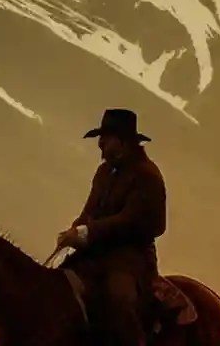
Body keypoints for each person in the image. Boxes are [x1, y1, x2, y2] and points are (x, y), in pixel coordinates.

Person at [56, 108, 167, 346]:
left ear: (123, 141)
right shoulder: (104, 172)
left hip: (130, 258)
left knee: (119, 298)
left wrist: (87, 232)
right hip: (95, 254)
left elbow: (134, 220)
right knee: (56, 284)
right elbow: (90, 211)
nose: (100, 143)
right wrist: (75, 229)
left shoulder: (146, 175)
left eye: (106, 138)